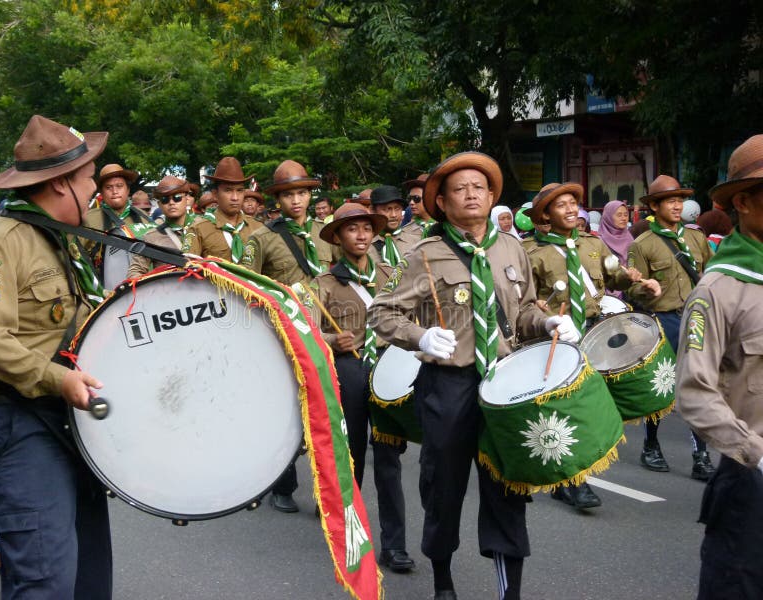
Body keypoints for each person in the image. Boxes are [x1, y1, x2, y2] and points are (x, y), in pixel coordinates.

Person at [369, 151, 579, 600]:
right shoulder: (422, 254)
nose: (470, 194)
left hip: (504, 380)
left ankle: (510, 591)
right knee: (443, 488)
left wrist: (545, 324)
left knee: (507, 486)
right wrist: (420, 337)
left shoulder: (511, 248)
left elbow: (521, 310)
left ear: (491, 197)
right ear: (441, 203)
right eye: (459, 189)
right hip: (448, 385)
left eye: (478, 187)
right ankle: (443, 582)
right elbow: (382, 313)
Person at [0, 115, 112, 598]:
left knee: (88, 576)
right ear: (62, 181)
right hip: (16, 426)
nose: (95, 187)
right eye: (89, 176)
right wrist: (55, 379)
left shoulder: (55, 240)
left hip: (61, 420)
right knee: (45, 581)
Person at [527, 182, 656, 510]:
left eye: (573, 203)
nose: (570, 210)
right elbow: (523, 299)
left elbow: (616, 278)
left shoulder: (593, 245)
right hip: (555, 339)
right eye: (561, 205)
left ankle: (564, 478)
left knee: (587, 404)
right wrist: (539, 309)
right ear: (546, 214)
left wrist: (638, 280)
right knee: (568, 406)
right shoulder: (532, 252)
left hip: (593, 333)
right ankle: (575, 481)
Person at [676, 133, 763, 599]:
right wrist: (755, 452)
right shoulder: (718, 290)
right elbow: (694, 390)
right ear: (744, 202)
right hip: (751, 477)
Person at [313, 202, 415, 574]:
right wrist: (329, 339)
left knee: (388, 459)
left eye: (366, 229)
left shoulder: (391, 275)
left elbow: (409, 316)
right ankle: (349, 535)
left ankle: (395, 545)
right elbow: (308, 332)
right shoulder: (323, 283)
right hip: (349, 373)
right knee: (352, 457)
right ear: (338, 238)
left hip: (388, 370)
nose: (360, 236)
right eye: (351, 230)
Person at [242, 159, 332, 512]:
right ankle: (283, 483)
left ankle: (325, 491)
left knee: (324, 416)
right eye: (288, 195)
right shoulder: (262, 238)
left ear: (311, 195)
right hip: (285, 336)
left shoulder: (328, 232)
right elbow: (246, 285)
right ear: (277, 200)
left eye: (301, 193)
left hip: (326, 334)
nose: (296, 201)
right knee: (289, 412)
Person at [626, 174, 716, 480]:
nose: (678, 206)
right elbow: (631, 289)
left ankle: (701, 455)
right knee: (662, 385)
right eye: (671, 201)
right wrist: (645, 289)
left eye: (680, 200)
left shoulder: (696, 238)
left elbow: (710, 273)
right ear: (654, 206)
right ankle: (651, 445)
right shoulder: (642, 244)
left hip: (696, 318)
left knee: (700, 384)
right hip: (663, 320)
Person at [82, 163, 156, 283]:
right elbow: (77, 257)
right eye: (108, 187)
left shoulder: (144, 217)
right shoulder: (88, 220)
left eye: (119, 186)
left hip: (143, 288)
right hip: (104, 290)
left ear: (127, 190)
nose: (115, 191)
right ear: (101, 192)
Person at [191, 157, 261, 263]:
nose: (235, 197)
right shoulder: (199, 230)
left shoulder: (258, 228)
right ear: (215, 194)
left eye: (240, 190)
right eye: (228, 190)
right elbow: (190, 270)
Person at [127, 175, 197, 278]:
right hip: (168, 291)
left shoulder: (203, 227)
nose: (171, 203)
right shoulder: (151, 237)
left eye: (177, 198)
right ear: (159, 204)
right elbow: (135, 272)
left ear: (187, 199)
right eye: (165, 199)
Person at [369, 185, 422, 267]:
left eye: (397, 209)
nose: (393, 215)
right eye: (387, 209)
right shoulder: (365, 245)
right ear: (372, 211)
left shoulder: (417, 242)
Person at [599, 200, 633, 266]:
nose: (624, 218)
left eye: (626, 215)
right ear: (608, 217)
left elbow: (633, 261)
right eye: (619, 215)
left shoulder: (629, 238)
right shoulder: (599, 241)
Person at [402, 173, 435, 238]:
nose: (411, 202)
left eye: (416, 198)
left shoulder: (448, 228)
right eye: (409, 198)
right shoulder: (404, 232)